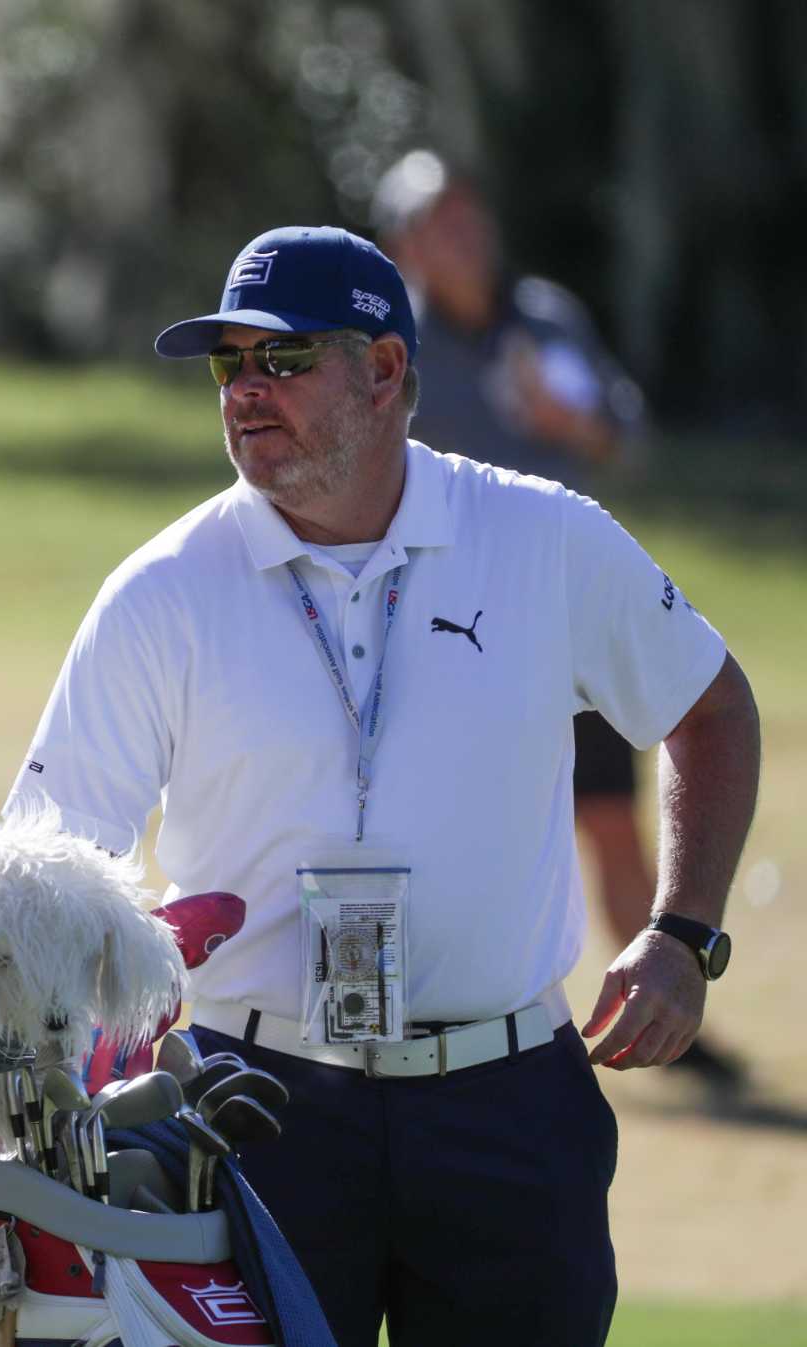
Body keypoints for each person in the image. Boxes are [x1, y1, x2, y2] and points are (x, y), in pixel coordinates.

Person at [6, 225, 759, 1345]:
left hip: (503, 1099)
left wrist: (682, 933)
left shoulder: (542, 537)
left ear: (386, 369)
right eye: (229, 365)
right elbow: (49, 858)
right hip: (250, 1106)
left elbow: (710, 706)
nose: (245, 394)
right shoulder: (159, 591)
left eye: (283, 358)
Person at [371, 152, 747, 1096]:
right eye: (438, 223)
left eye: (469, 216)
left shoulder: (543, 319)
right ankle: (415, 1016)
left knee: (614, 818)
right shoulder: (388, 340)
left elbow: (626, 434)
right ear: (403, 245)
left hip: (562, 612)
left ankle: (654, 1005)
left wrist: (563, 418)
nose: (463, 236)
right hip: (439, 626)